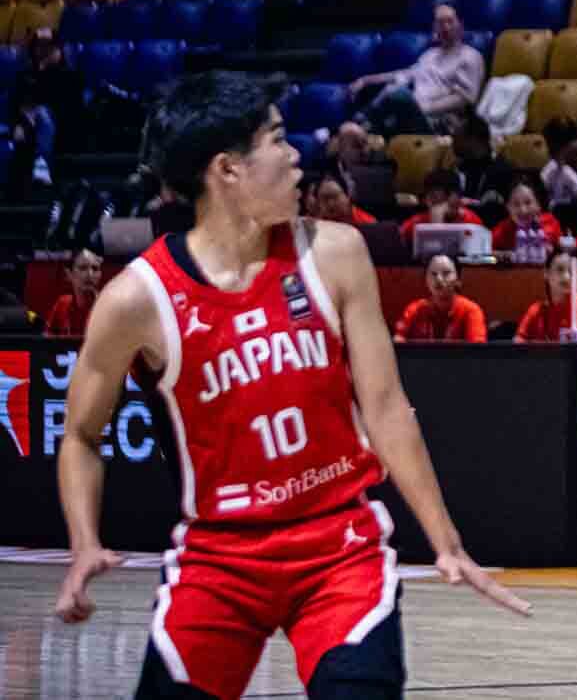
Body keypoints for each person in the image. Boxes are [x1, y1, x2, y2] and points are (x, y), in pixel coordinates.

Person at [52, 71, 526, 697]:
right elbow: (81, 433)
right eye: (276, 140)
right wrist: (83, 544)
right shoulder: (136, 298)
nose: (296, 154)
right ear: (228, 170)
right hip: (218, 556)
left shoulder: (335, 252)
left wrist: (447, 542)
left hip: (339, 545)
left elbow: (386, 409)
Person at [349, 4, 485, 137]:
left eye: (450, 21)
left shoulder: (470, 56)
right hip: (412, 112)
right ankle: (359, 130)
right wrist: (366, 80)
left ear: (460, 24)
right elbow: (403, 74)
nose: (445, 27)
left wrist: (426, 107)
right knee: (393, 89)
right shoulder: (429, 55)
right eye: (440, 23)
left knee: (397, 94)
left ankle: (359, 124)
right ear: (434, 28)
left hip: (439, 121)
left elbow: (465, 98)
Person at [395, 253, 489, 342]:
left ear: (458, 280)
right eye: (433, 274)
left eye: (446, 273)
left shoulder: (471, 311)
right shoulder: (414, 310)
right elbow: (397, 342)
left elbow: (477, 351)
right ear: (426, 280)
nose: (439, 279)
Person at [514, 252, 577, 342]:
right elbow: (518, 341)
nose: (566, 277)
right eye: (560, 269)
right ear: (546, 273)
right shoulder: (536, 310)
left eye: (572, 271)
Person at [398, 169, 485, 248]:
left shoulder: (472, 222)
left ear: (454, 196)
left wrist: (437, 222)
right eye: (427, 196)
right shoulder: (418, 222)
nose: (428, 202)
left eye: (434, 197)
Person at [493, 174, 563, 256]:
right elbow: (485, 256)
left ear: (538, 205)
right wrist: (501, 255)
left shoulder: (550, 223)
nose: (523, 210)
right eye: (516, 204)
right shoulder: (502, 229)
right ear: (508, 207)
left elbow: (562, 250)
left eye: (528, 203)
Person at [43, 247, 104, 336]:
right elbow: (47, 340)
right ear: (69, 274)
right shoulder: (62, 303)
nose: (90, 274)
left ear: (100, 275)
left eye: (95, 269)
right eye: (82, 268)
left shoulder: (107, 306)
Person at [450, 114, 508, 204]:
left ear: (473, 140)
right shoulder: (456, 169)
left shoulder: (504, 172)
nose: (452, 142)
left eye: (456, 137)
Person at [311, 173, 377, 226]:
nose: (331, 203)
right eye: (325, 198)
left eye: (335, 196)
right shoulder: (315, 226)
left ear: (348, 196)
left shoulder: (367, 223)